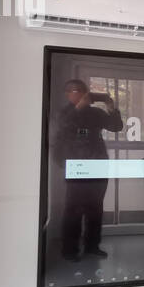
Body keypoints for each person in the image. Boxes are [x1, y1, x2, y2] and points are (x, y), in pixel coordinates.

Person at [49, 79, 123, 262]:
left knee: (95, 207)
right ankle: (69, 250)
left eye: (83, 90)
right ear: (67, 94)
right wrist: (79, 108)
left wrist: (111, 107)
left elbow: (116, 127)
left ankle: (92, 246)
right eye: (75, 90)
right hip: (76, 166)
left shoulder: (95, 113)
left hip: (97, 164)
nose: (80, 93)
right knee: (73, 209)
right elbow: (64, 129)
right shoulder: (64, 113)